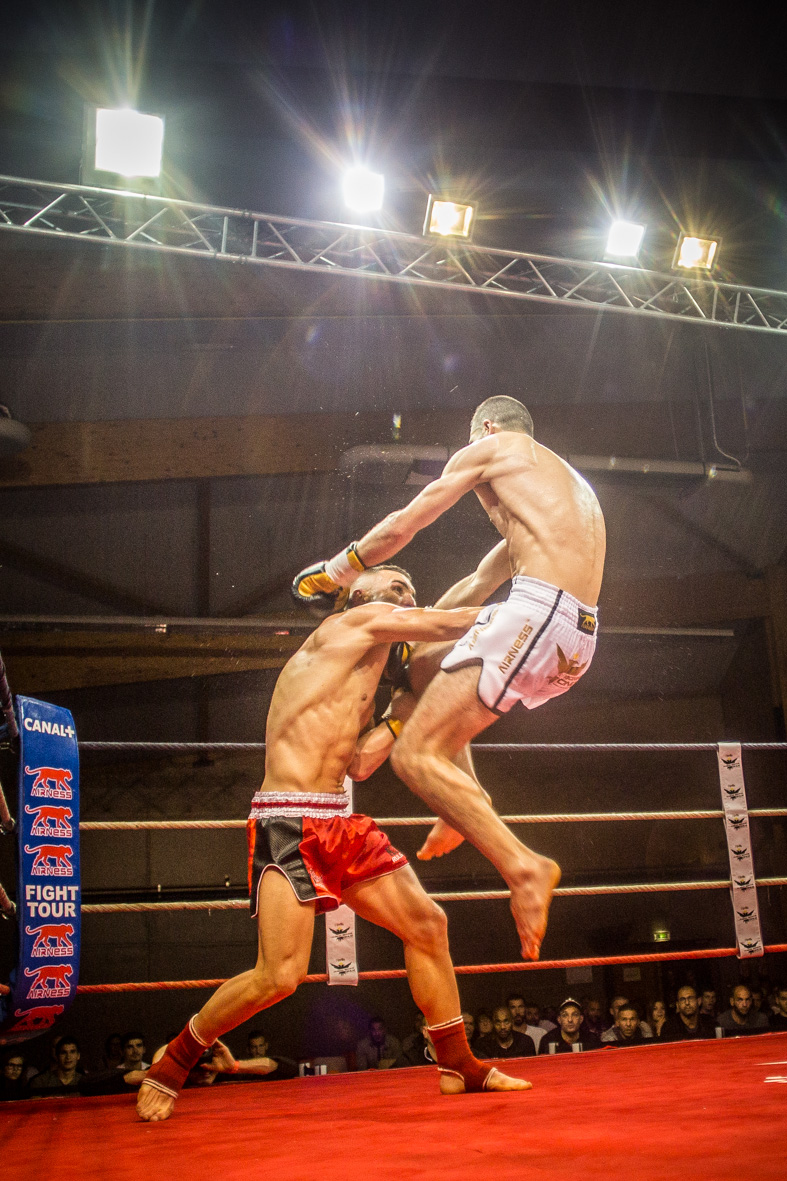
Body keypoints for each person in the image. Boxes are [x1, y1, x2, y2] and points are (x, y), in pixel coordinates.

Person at [138, 564, 529, 1121]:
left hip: (338, 820)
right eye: (395, 586)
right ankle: (173, 1062)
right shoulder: (347, 625)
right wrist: (530, 614)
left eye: (410, 589)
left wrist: (398, 719)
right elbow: (446, 621)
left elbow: (359, 765)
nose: (405, 596)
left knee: (428, 925)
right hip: (288, 820)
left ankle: (457, 1064)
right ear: (356, 593)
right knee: (280, 976)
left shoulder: (366, 671)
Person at [294, 395, 605, 960]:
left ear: (485, 429)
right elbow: (481, 581)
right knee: (426, 667)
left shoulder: (497, 447)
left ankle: (523, 867)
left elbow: (405, 523)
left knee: (415, 757)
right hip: (575, 642)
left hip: (539, 614)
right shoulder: (560, 495)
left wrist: (335, 570)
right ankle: (464, 801)